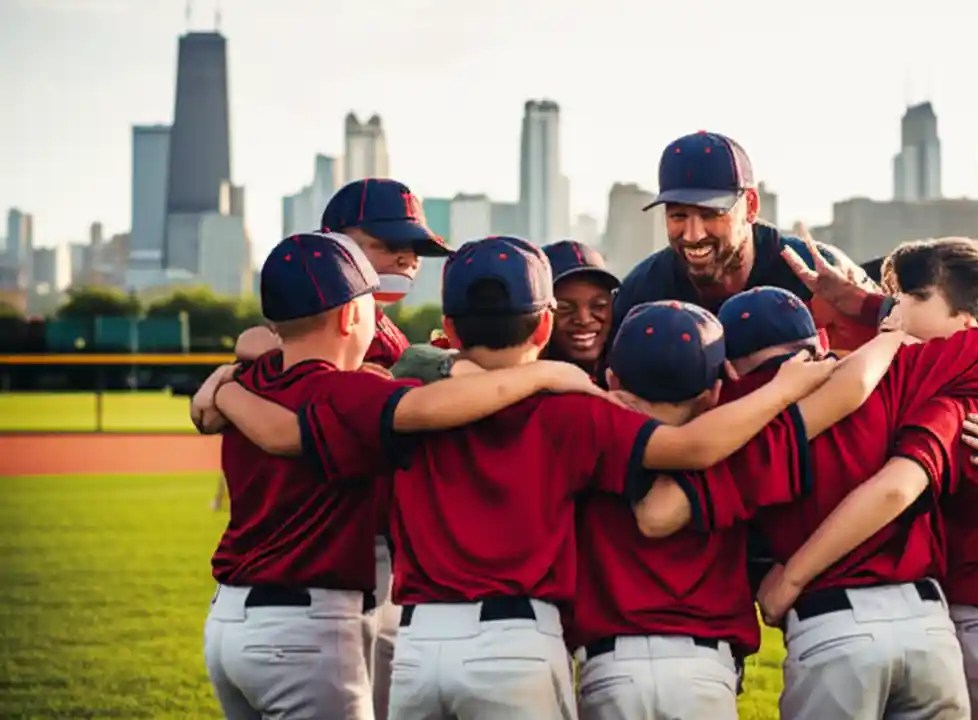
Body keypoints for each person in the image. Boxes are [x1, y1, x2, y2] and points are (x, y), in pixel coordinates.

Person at [207, 236, 837, 720]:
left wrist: (224, 390)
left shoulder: (399, 398)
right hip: (513, 643)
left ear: (449, 329)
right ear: (545, 326)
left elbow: (284, 427)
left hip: (419, 646)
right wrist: (788, 389)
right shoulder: (574, 407)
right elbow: (690, 448)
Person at [196, 232, 602, 720]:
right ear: (350, 316)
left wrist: (220, 390)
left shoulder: (247, 380)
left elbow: (259, 411)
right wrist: (542, 376)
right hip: (302, 627)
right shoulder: (346, 391)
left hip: (227, 626)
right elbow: (423, 407)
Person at [763, 240, 978, 720]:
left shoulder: (961, 406)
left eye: (908, 298)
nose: (896, 308)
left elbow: (895, 489)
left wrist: (793, 576)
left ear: (966, 325)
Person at [573, 298, 909, 720]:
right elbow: (851, 388)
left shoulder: (582, 428)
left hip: (610, 667)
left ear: (611, 377)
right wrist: (892, 331)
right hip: (702, 668)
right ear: (716, 390)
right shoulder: (743, 448)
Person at [225, 177, 451, 720]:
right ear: (336, 244)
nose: (405, 256)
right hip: (340, 563)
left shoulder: (387, 333)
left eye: (415, 247)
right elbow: (257, 343)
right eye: (384, 242)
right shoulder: (331, 323)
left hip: (382, 554)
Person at [604, 131, 894, 373]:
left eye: (711, 214)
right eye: (678, 216)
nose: (693, 235)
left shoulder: (819, 273)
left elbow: (905, 351)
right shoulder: (642, 293)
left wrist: (860, 304)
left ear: (751, 206)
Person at [540, 239, 620, 377]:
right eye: (564, 307)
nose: (584, 320)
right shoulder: (524, 383)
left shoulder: (630, 370)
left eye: (598, 306)